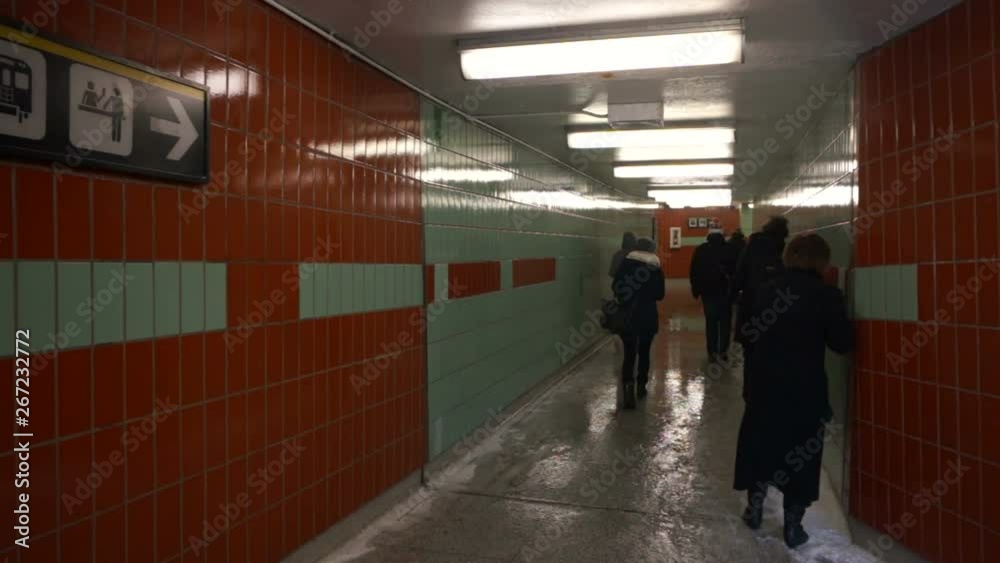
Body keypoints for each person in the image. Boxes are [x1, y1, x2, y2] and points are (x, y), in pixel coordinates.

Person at [732, 234, 852, 549]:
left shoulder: (762, 291)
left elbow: (743, 335)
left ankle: (754, 508)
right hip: (805, 389)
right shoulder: (826, 296)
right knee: (802, 454)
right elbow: (842, 343)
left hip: (763, 385)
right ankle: (793, 527)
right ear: (822, 262)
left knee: (760, 444)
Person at [730, 216, 790, 392]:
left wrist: (732, 297)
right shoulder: (778, 249)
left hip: (750, 309)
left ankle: (750, 393)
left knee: (751, 354)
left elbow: (739, 274)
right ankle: (768, 392)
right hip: (773, 311)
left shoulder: (752, 246)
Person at [612, 237, 665, 409]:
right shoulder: (655, 266)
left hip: (628, 315)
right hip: (647, 315)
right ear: (651, 249)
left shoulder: (626, 262)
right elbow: (660, 294)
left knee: (629, 354)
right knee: (644, 352)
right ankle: (641, 386)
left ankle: (628, 388)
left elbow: (615, 286)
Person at [689, 232, 731, 361]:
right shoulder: (728, 249)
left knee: (711, 322)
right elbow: (735, 270)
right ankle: (723, 351)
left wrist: (696, 290)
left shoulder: (701, 249)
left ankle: (712, 351)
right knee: (725, 323)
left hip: (708, 292)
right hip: (725, 292)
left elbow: (694, 271)